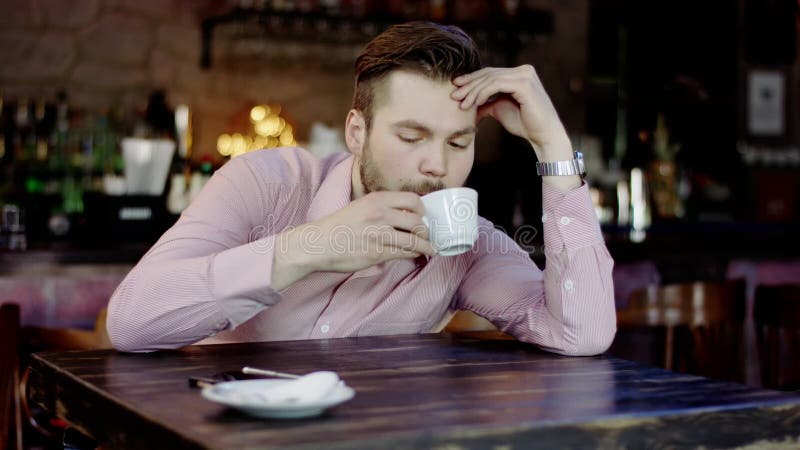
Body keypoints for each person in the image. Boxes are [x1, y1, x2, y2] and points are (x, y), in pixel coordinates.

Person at [106, 21, 616, 355]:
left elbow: (582, 333)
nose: (437, 165)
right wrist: (311, 247)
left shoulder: (467, 246)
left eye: (458, 142)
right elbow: (132, 322)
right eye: (411, 137)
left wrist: (552, 146)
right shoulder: (265, 184)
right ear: (356, 132)